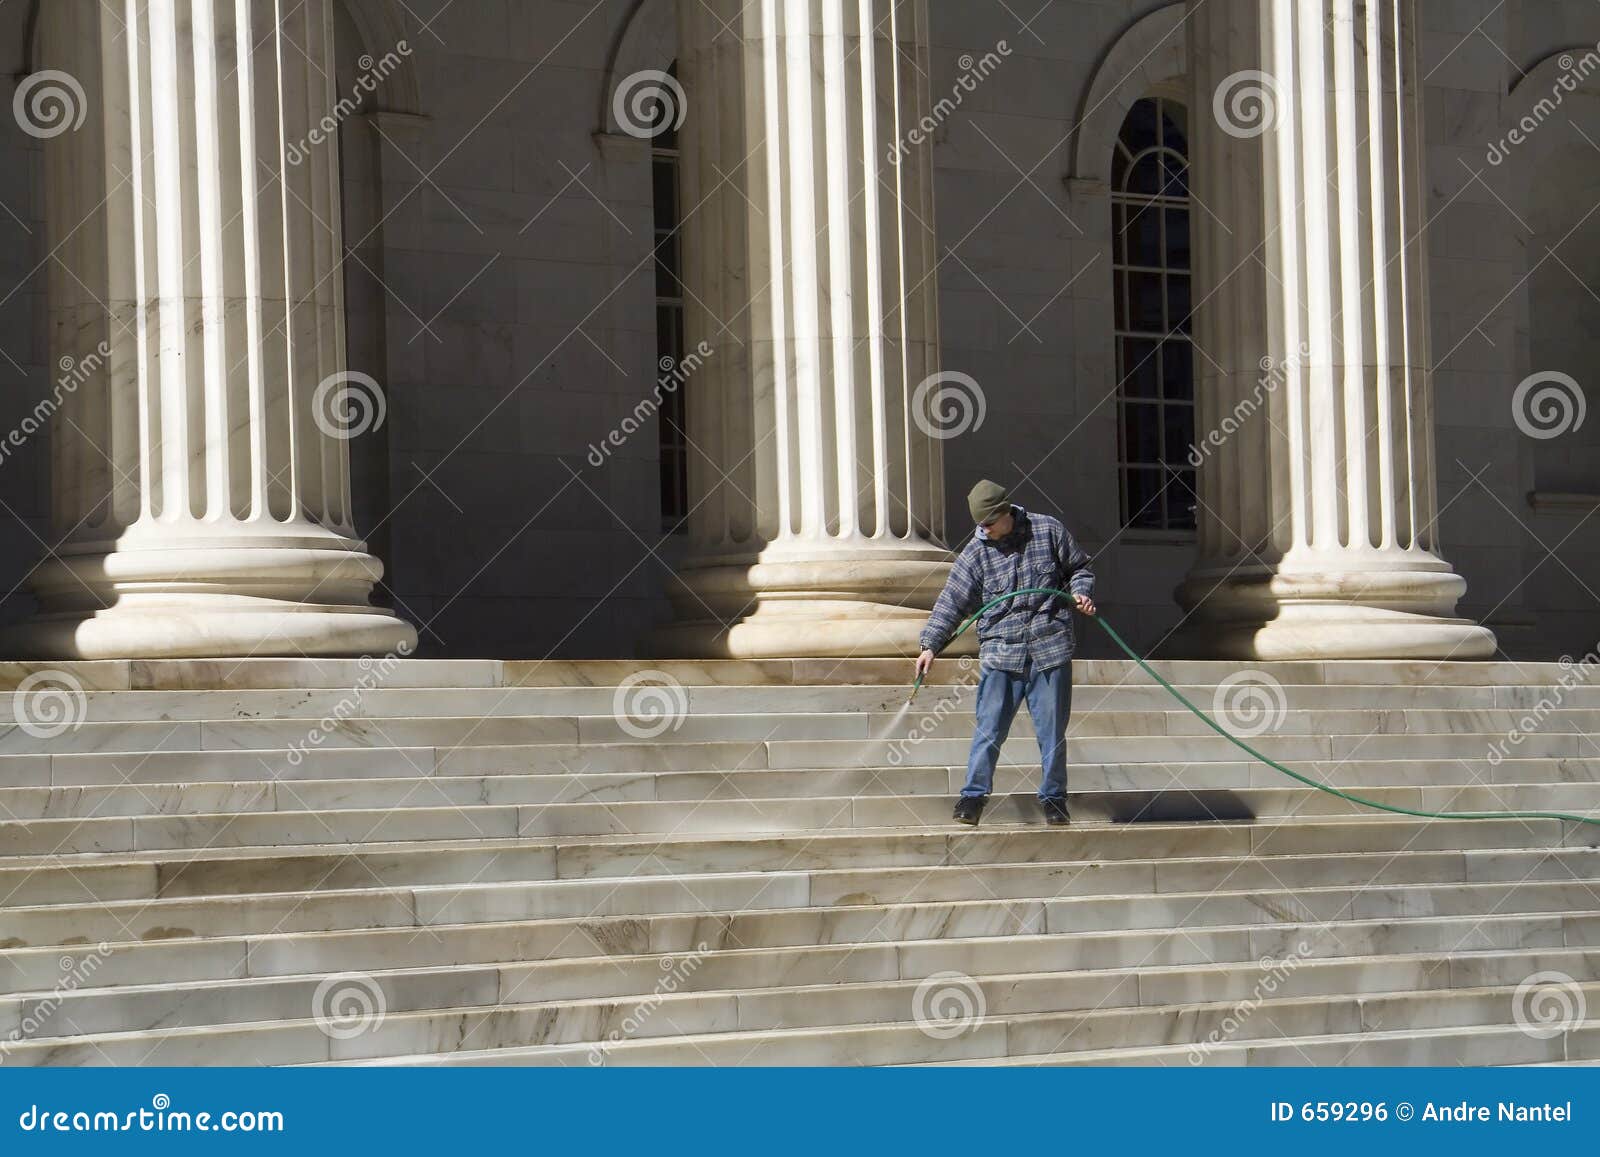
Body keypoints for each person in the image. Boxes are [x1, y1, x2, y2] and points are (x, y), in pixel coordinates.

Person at [915, 479, 1096, 826]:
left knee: (1052, 733)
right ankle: (972, 798)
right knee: (989, 730)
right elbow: (951, 602)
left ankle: (1054, 799)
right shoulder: (975, 552)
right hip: (1001, 654)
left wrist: (1081, 592)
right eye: (979, 525)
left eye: (989, 523)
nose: (984, 530)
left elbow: (1080, 567)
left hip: (1050, 649)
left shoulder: (1048, 530)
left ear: (1005, 512)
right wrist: (930, 645)